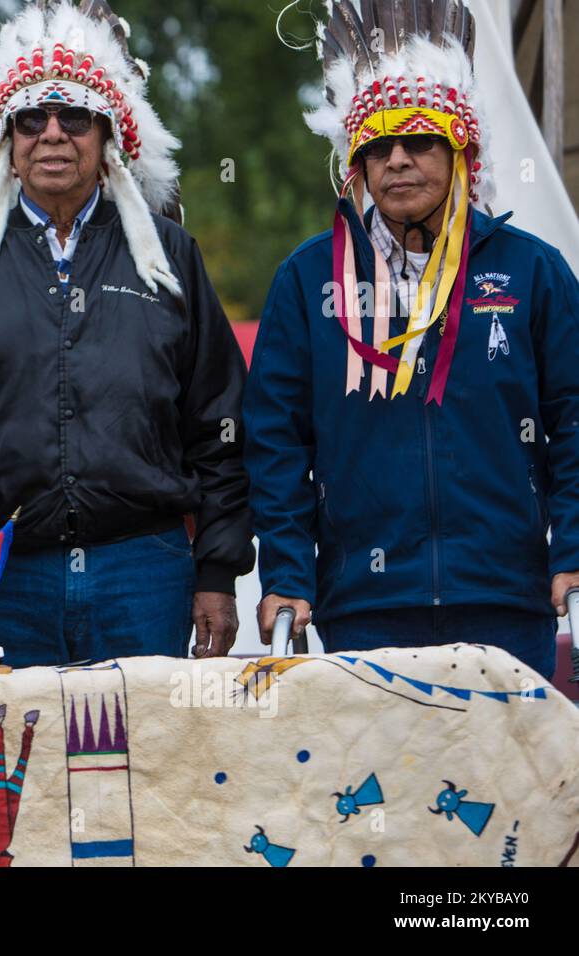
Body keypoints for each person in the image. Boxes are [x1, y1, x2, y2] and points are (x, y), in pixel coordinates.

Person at [244, 0, 579, 679]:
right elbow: (276, 442)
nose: (397, 160)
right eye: (377, 146)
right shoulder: (308, 280)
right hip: (365, 605)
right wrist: (286, 570)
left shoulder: (533, 270)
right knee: (373, 788)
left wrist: (572, 551)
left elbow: (573, 424)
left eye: (420, 141)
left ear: (462, 152)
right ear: (355, 164)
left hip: (505, 602)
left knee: (509, 788)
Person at [0, 1, 254, 668]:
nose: (51, 134)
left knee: (144, 765)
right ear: (6, 140)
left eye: (74, 116)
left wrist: (217, 571)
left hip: (144, 567)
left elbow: (217, 424)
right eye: (29, 118)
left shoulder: (169, 257)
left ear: (108, 135)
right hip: (4, 573)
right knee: (15, 766)